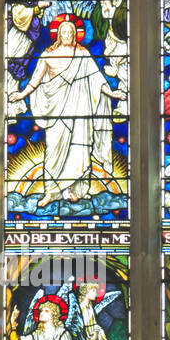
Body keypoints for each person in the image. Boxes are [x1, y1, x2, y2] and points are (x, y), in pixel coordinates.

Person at [8, 16, 122, 208]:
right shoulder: (48, 54)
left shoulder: (83, 54)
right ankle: (50, 193)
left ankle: (73, 189)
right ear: (58, 35)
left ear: (76, 34)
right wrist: (21, 95)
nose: (68, 35)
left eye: (71, 32)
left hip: (80, 108)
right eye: (64, 32)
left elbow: (97, 79)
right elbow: (35, 80)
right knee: (54, 150)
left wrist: (111, 92)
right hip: (56, 110)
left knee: (79, 148)